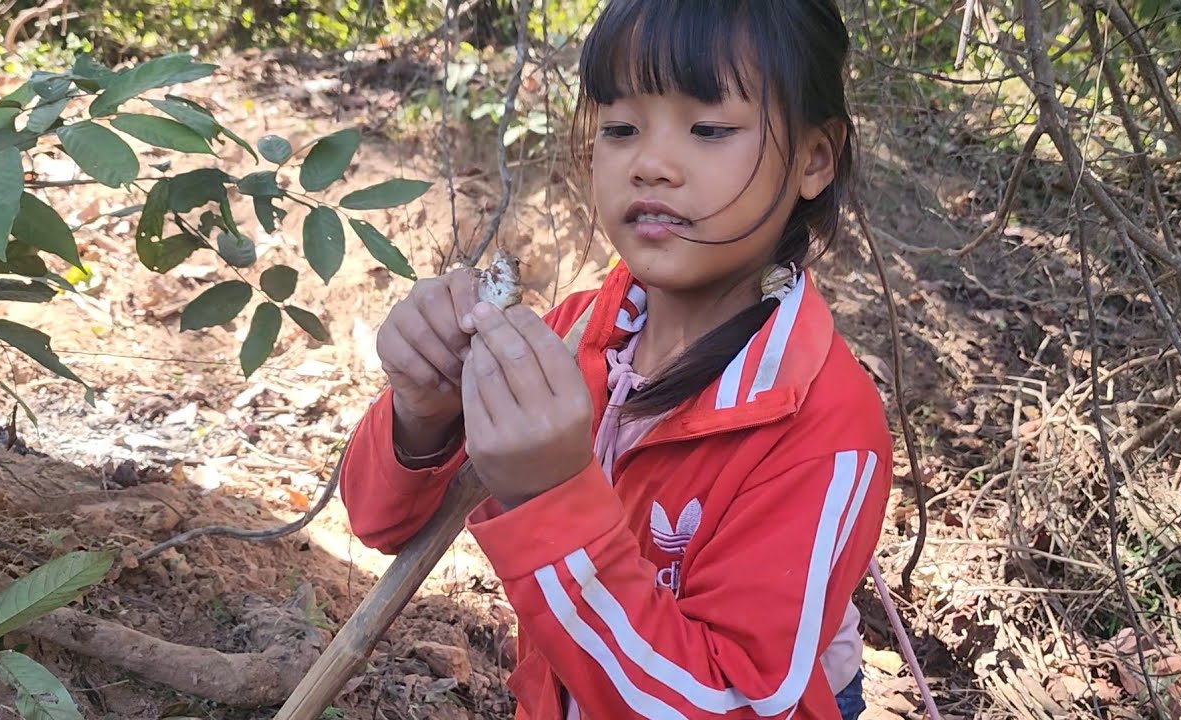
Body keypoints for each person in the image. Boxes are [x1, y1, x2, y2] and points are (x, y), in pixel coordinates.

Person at [340, 0, 890, 717]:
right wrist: (422, 415)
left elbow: (730, 703)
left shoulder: (822, 433)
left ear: (815, 158)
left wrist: (549, 498)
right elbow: (382, 523)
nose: (652, 164)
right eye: (621, 129)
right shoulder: (574, 339)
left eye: (710, 129)